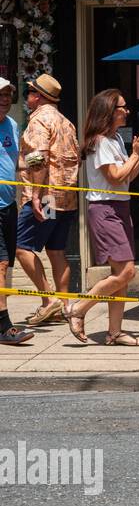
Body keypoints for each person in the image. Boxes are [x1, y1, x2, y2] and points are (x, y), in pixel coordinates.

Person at [66, 88, 139, 345]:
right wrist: (136, 154)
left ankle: (114, 332)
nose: (127, 111)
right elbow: (115, 177)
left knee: (121, 274)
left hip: (120, 207)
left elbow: (129, 176)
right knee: (127, 272)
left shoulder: (116, 140)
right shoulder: (99, 142)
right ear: (110, 111)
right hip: (105, 209)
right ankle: (78, 309)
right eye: (122, 107)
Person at [15, 74, 78, 327]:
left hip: (46, 196)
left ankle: (48, 300)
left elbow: (37, 159)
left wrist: (38, 196)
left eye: (28, 92)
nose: (27, 97)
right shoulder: (66, 122)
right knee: (56, 251)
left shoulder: (39, 119)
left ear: (37, 96)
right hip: (66, 197)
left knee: (20, 247)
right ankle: (63, 307)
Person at [0, 78, 33, 345]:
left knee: (6, 267)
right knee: (0, 265)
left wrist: (28, 166)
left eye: (7, 96)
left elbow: (15, 162)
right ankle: (4, 327)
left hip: (9, 206)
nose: (3, 101)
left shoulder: (11, 125)